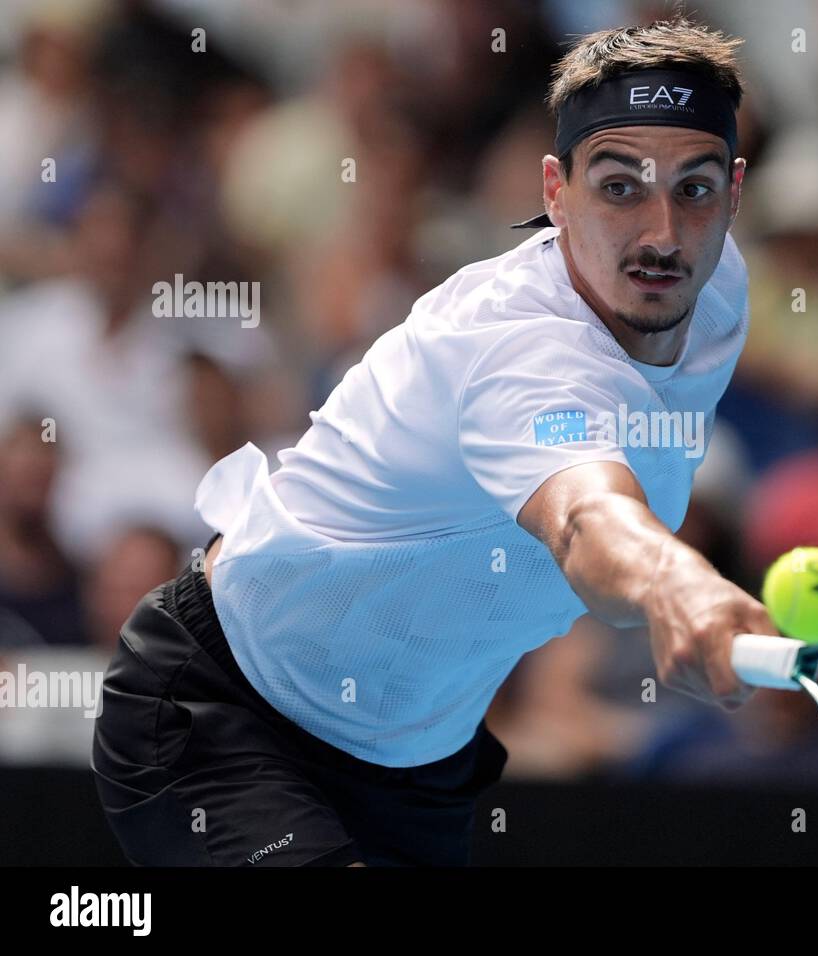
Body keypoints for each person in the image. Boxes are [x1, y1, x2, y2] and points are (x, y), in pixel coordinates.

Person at [92, 16, 778, 867]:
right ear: (556, 193)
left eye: (695, 189)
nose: (662, 235)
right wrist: (678, 582)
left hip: (416, 763)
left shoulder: (716, 291)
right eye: (619, 187)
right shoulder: (519, 352)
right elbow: (583, 517)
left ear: (734, 192)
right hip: (227, 716)